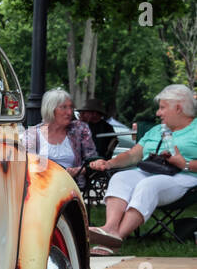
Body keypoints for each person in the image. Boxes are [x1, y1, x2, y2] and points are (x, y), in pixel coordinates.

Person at [87, 84, 197, 252]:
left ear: (179, 108)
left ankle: (115, 239)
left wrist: (185, 164)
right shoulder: (156, 130)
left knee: (149, 185)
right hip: (149, 170)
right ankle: (109, 228)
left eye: (162, 108)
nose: (157, 113)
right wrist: (108, 163)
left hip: (184, 177)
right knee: (120, 178)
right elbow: (132, 155)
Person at [21, 88, 99, 188]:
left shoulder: (79, 129)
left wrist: (78, 171)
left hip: (72, 188)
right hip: (41, 188)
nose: (70, 112)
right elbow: (27, 168)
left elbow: (93, 162)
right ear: (50, 109)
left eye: (71, 107)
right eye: (64, 107)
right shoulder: (31, 134)